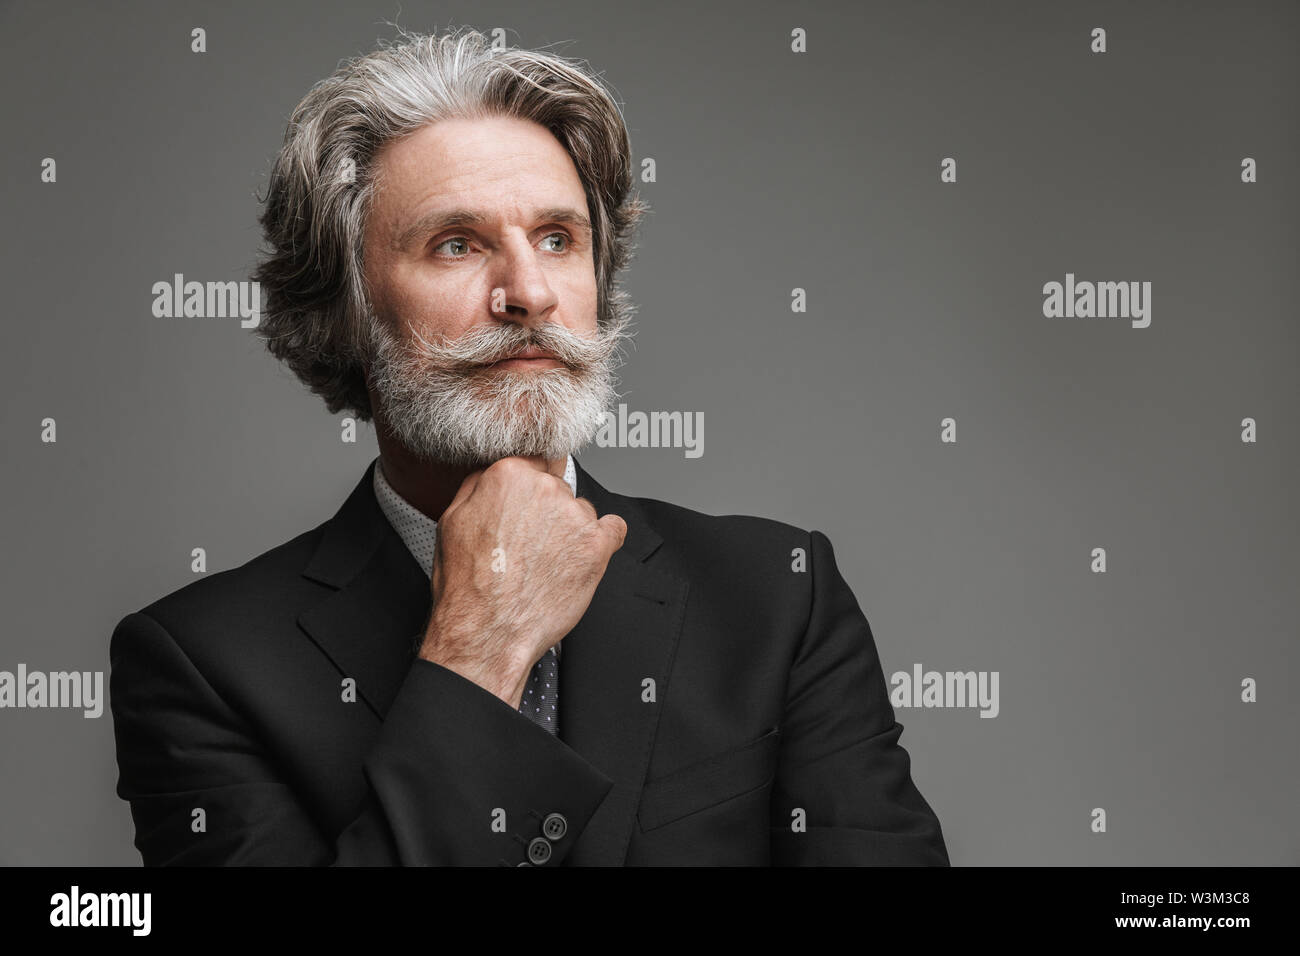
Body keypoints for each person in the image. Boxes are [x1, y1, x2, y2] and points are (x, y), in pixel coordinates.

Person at [109, 27, 949, 867]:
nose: (530, 293)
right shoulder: (202, 665)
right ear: (345, 310)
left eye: (558, 238)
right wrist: (479, 650)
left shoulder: (778, 599)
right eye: (456, 244)